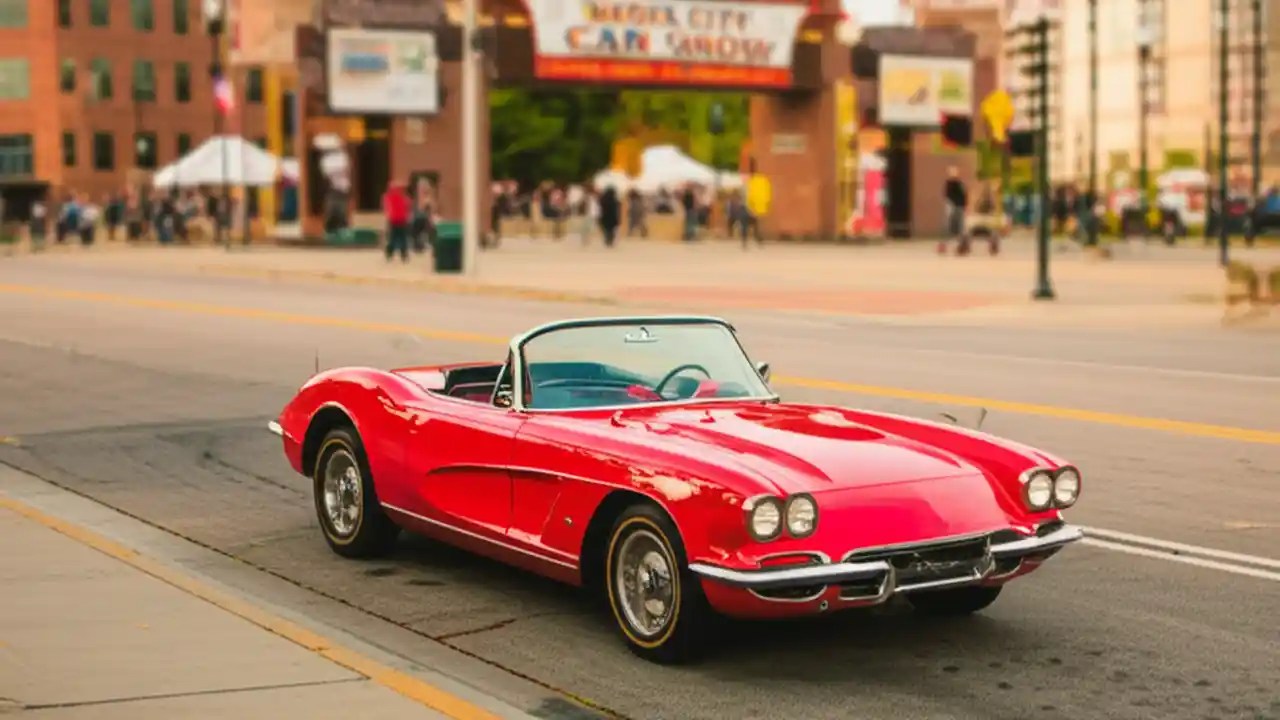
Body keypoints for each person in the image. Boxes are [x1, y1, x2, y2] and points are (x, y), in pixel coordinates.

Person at [382, 180, 411, 263]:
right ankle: (402, 254)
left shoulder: (390, 197)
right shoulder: (402, 197)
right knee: (400, 237)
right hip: (398, 219)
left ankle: (392, 253)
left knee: (394, 237)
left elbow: (387, 206)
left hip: (396, 219)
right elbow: (407, 206)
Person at [942, 166, 968, 254]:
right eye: (951, 173)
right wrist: (949, 206)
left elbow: (964, 195)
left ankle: (961, 245)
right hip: (953, 207)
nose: (953, 174)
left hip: (960, 207)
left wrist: (965, 205)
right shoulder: (948, 184)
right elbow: (947, 196)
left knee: (960, 227)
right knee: (951, 226)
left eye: (954, 172)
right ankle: (951, 245)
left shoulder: (960, 183)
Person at [745, 167, 771, 247]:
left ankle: (754, 239)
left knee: (752, 225)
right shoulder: (764, 181)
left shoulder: (752, 182)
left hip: (753, 209)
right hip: (760, 208)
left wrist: (750, 208)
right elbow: (768, 195)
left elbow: (750, 196)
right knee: (755, 225)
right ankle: (757, 239)